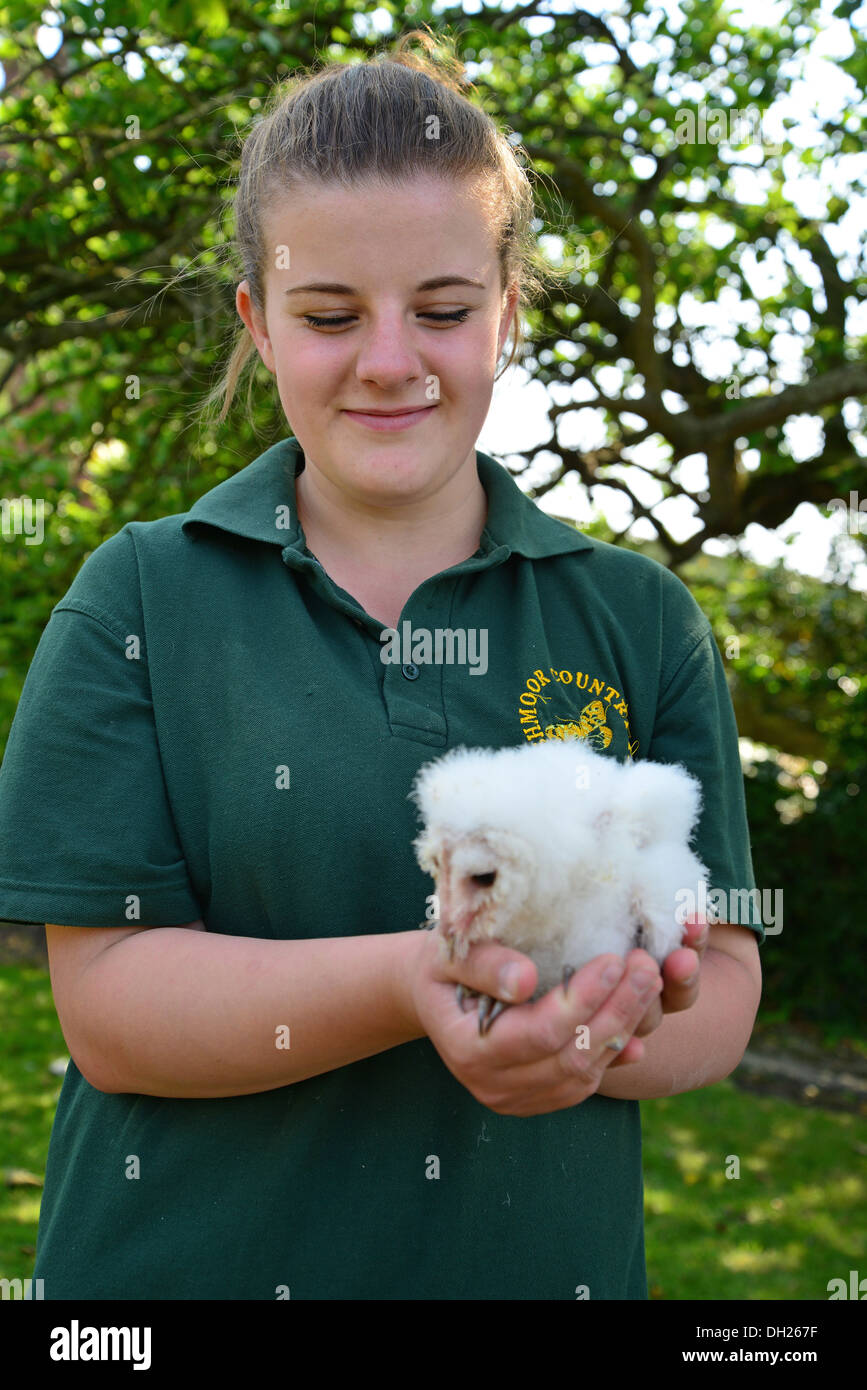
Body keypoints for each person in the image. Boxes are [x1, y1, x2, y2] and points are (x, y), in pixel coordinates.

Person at [0, 30, 762, 1300]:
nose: (393, 360)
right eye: (329, 314)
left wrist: (598, 1026)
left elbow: (726, 979)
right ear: (257, 320)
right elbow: (109, 1009)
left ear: (509, 313)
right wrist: (417, 983)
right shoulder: (138, 596)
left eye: (446, 310)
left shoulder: (642, 617)